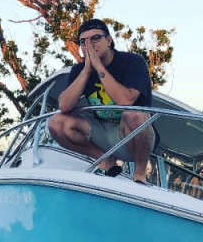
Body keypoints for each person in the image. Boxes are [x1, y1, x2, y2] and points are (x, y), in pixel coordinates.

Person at [47, 18, 155, 182]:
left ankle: (139, 176)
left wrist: (99, 67)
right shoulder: (79, 70)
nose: (89, 45)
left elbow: (126, 101)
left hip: (132, 134)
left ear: (109, 40)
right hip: (101, 131)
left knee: (134, 115)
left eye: (95, 38)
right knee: (56, 123)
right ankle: (105, 160)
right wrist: (86, 71)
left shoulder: (133, 62)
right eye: (83, 42)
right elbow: (64, 105)